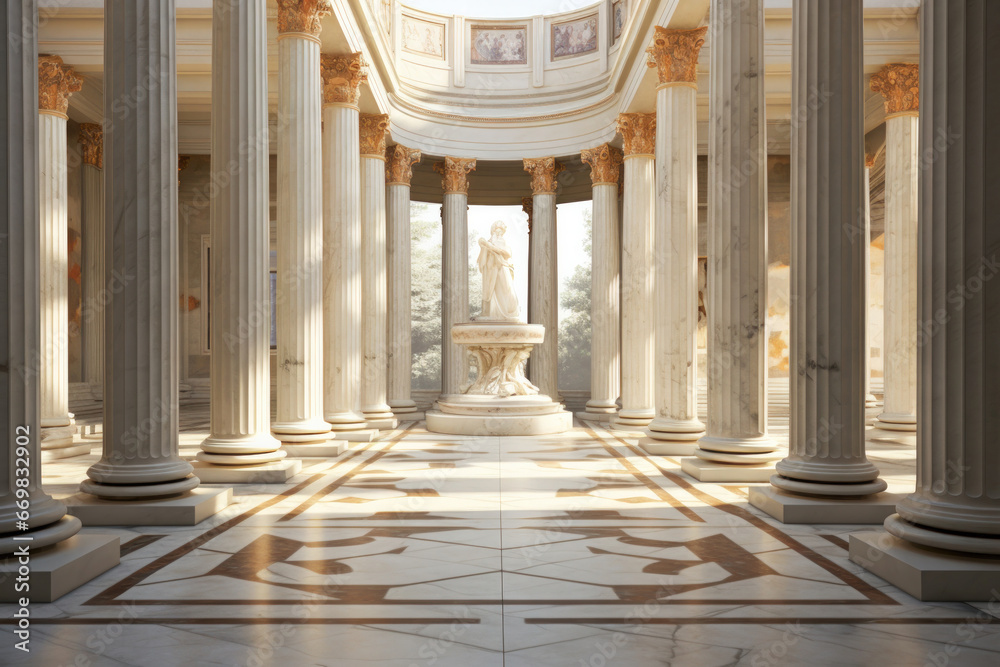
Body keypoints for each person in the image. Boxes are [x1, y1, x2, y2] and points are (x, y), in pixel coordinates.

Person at [477, 220, 520, 321]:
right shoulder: (489, 243)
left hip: (502, 269)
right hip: (492, 270)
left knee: (505, 290)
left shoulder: (503, 244)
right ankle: (492, 313)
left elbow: (507, 254)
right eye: (497, 231)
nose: (499, 234)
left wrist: (490, 247)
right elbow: (482, 260)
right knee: (493, 290)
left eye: (501, 231)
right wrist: (485, 246)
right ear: (493, 231)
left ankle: (505, 313)